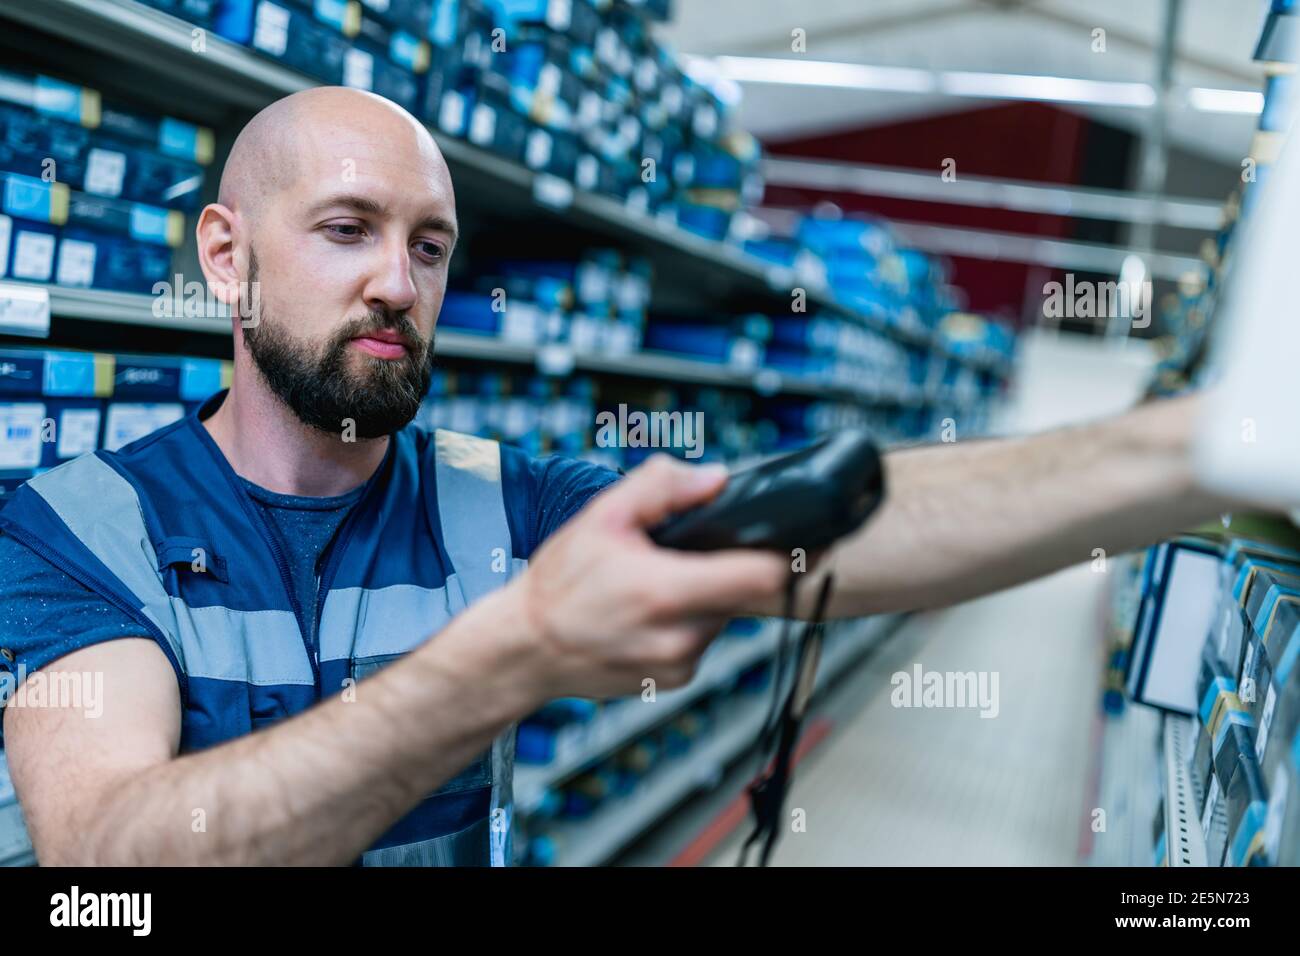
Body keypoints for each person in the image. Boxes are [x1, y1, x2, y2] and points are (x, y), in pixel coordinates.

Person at [0, 88, 1233, 866]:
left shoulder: (498, 497)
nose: (397, 283)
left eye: (429, 247)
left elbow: (836, 530)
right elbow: (107, 867)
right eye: (344, 229)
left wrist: (1196, 447)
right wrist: (512, 652)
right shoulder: (80, 524)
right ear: (227, 256)